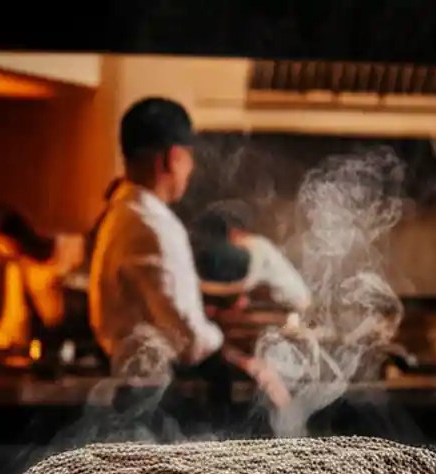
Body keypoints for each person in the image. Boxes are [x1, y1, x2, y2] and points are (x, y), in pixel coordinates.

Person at [89, 97, 288, 408]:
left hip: (138, 392)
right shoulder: (151, 225)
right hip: (151, 400)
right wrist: (251, 366)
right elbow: (190, 339)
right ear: (171, 158)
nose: (190, 169)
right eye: (188, 159)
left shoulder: (123, 214)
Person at [191, 201, 312, 315]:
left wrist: (204, 287)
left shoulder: (258, 248)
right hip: (283, 302)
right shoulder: (257, 246)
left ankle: (288, 323)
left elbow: (244, 286)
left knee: (232, 319)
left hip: (296, 304)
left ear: (236, 233)